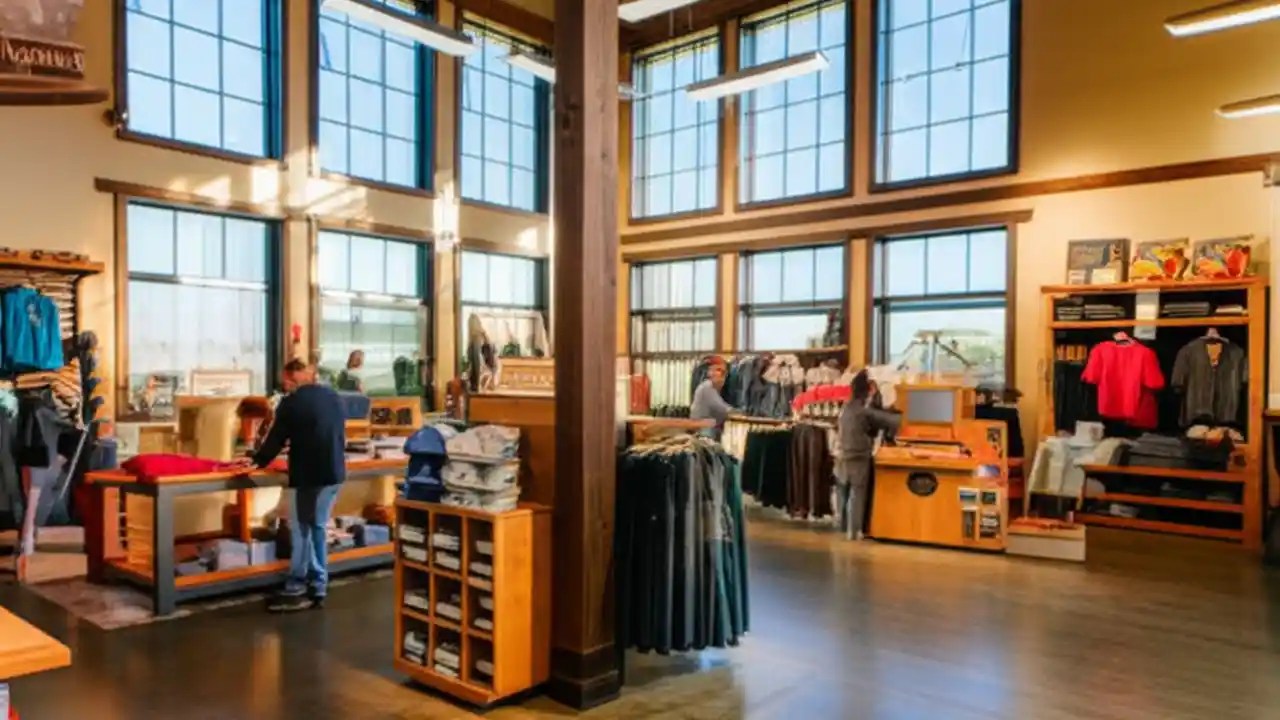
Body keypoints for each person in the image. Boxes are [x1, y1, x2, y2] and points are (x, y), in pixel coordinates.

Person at [245, 359, 348, 612]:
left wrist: (256, 461)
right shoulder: (333, 397)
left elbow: (276, 439)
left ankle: (299, 585)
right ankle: (318, 585)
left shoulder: (292, 403)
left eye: (287, 380)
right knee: (318, 528)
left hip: (309, 477)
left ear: (293, 377)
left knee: (303, 529)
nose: (285, 384)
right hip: (335, 473)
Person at [836, 370, 900, 540]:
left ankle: (842, 528)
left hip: (843, 453)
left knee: (844, 491)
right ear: (867, 390)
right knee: (858, 493)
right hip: (858, 455)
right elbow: (893, 421)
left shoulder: (846, 408)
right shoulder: (864, 411)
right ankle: (854, 531)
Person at [690, 361, 734, 440]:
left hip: (704, 424)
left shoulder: (710, 387)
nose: (722, 381)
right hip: (704, 425)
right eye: (721, 378)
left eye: (723, 378)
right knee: (708, 446)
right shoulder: (708, 387)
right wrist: (735, 411)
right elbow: (719, 406)